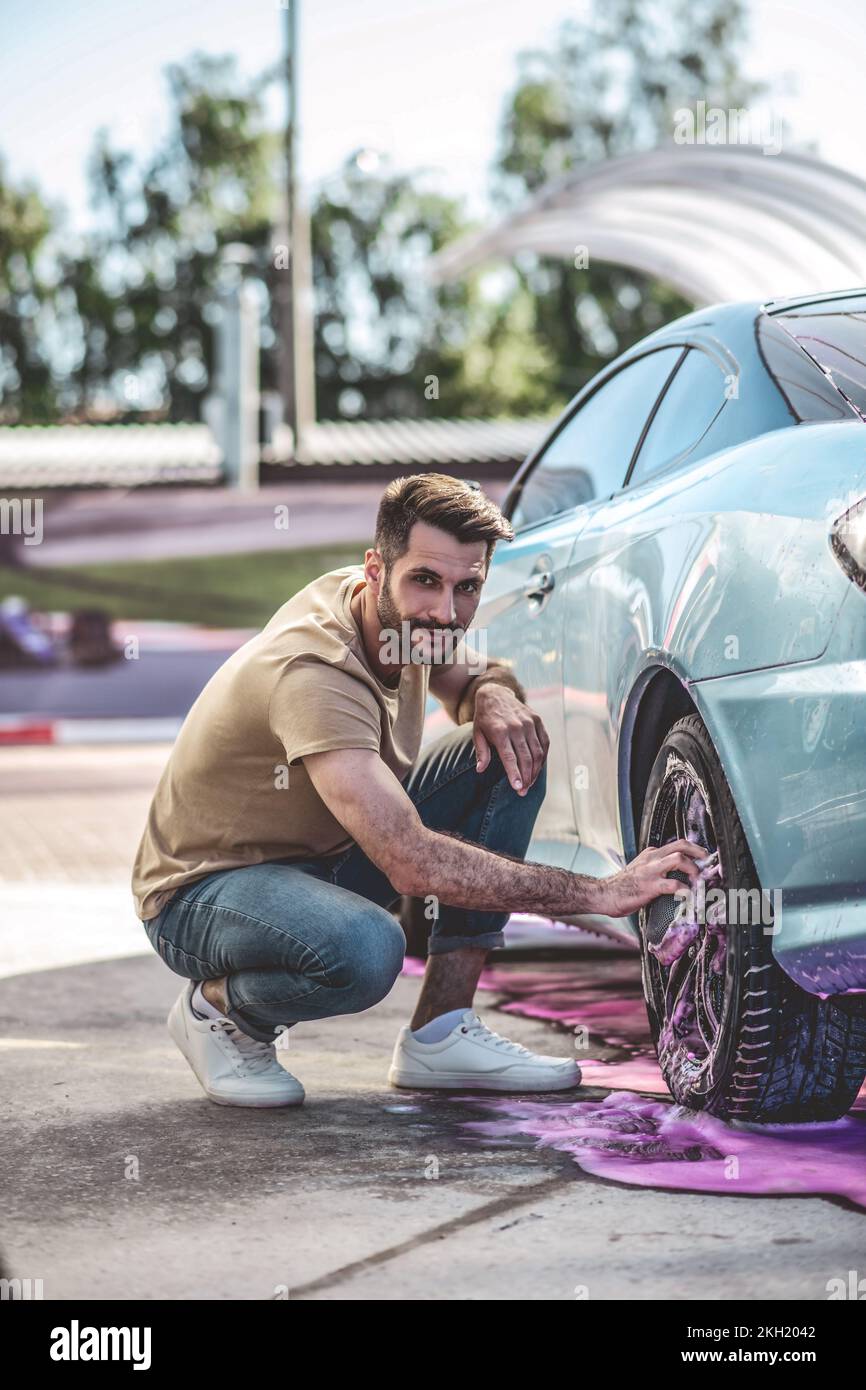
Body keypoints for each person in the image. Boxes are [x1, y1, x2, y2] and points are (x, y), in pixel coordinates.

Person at [131, 473, 705, 1107]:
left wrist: (488, 695)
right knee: (368, 948)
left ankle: (441, 1033)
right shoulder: (315, 670)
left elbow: (477, 675)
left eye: (469, 588)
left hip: (318, 863)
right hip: (203, 894)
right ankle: (220, 1012)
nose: (447, 611)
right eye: (426, 581)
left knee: (513, 746)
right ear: (377, 570)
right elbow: (409, 861)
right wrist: (602, 892)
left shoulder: (407, 621)